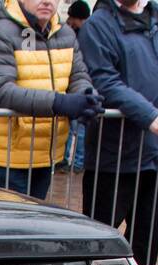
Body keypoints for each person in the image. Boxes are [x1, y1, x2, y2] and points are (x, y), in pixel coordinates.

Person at [80, 0, 158, 265]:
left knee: (147, 244)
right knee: (99, 244)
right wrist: (149, 115)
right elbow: (105, 81)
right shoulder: (99, 25)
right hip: (116, 159)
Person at [0, 0, 100, 200]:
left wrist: (87, 95)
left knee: (34, 222)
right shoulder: (1, 32)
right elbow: (2, 91)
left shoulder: (65, 33)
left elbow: (78, 75)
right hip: (12, 153)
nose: (46, 1)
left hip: (47, 151)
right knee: (17, 226)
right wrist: (60, 103)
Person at [61, 2, 93, 171]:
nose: (69, 21)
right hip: (78, 85)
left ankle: (74, 162)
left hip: (79, 86)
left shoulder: (82, 35)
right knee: (75, 128)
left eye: (72, 18)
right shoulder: (87, 33)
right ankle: (71, 161)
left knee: (77, 128)